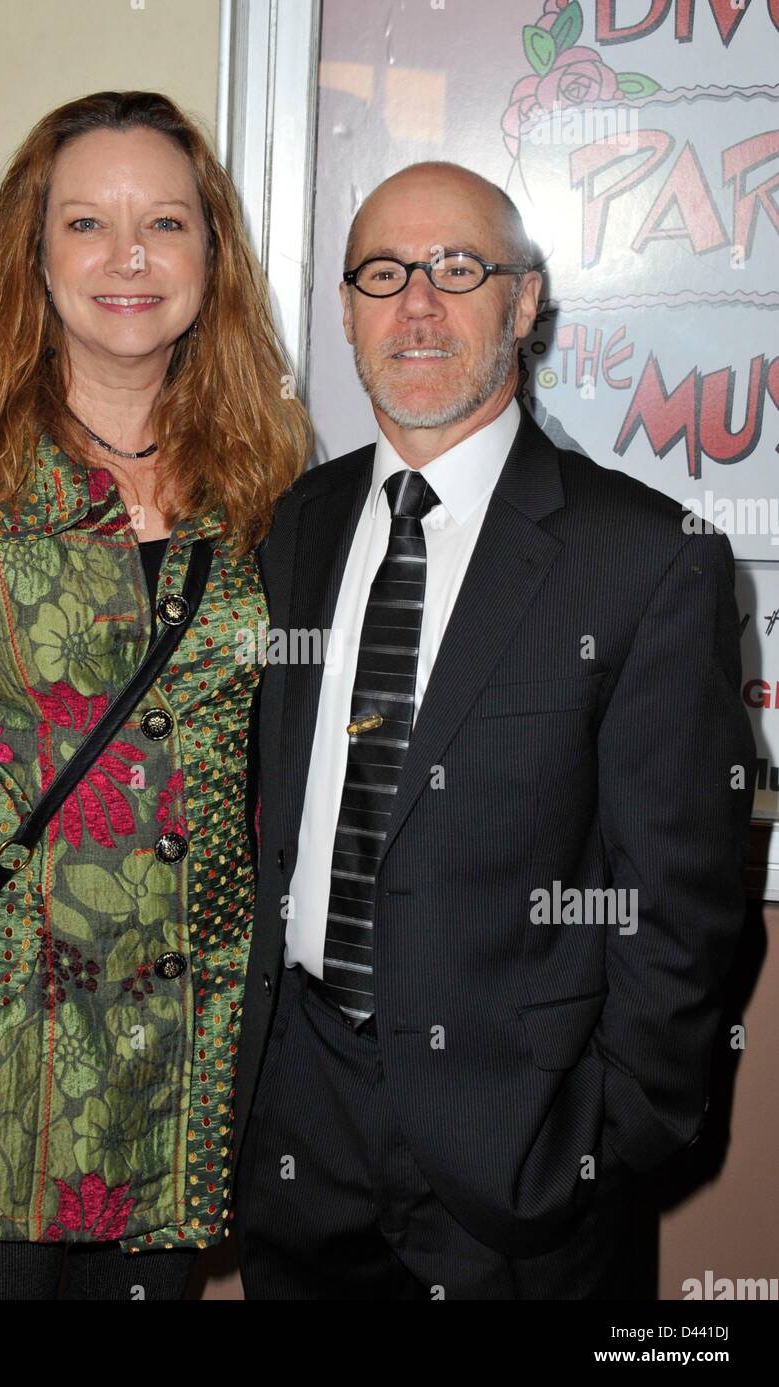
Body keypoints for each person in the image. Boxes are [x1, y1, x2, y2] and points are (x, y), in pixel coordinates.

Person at [0, 89, 310, 1300]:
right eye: (87, 223)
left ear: (212, 255)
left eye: (167, 225)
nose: (129, 258)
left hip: (190, 1035)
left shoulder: (274, 477)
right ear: (33, 254)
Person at [227, 162, 756, 1298]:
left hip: (524, 1158)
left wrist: (607, 1138)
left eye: (457, 270)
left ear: (523, 304)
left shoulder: (649, 560)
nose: (416, 304)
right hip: (299, 1127)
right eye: (383, 274)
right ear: (348, 312)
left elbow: (687, 908)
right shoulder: (289, 534)